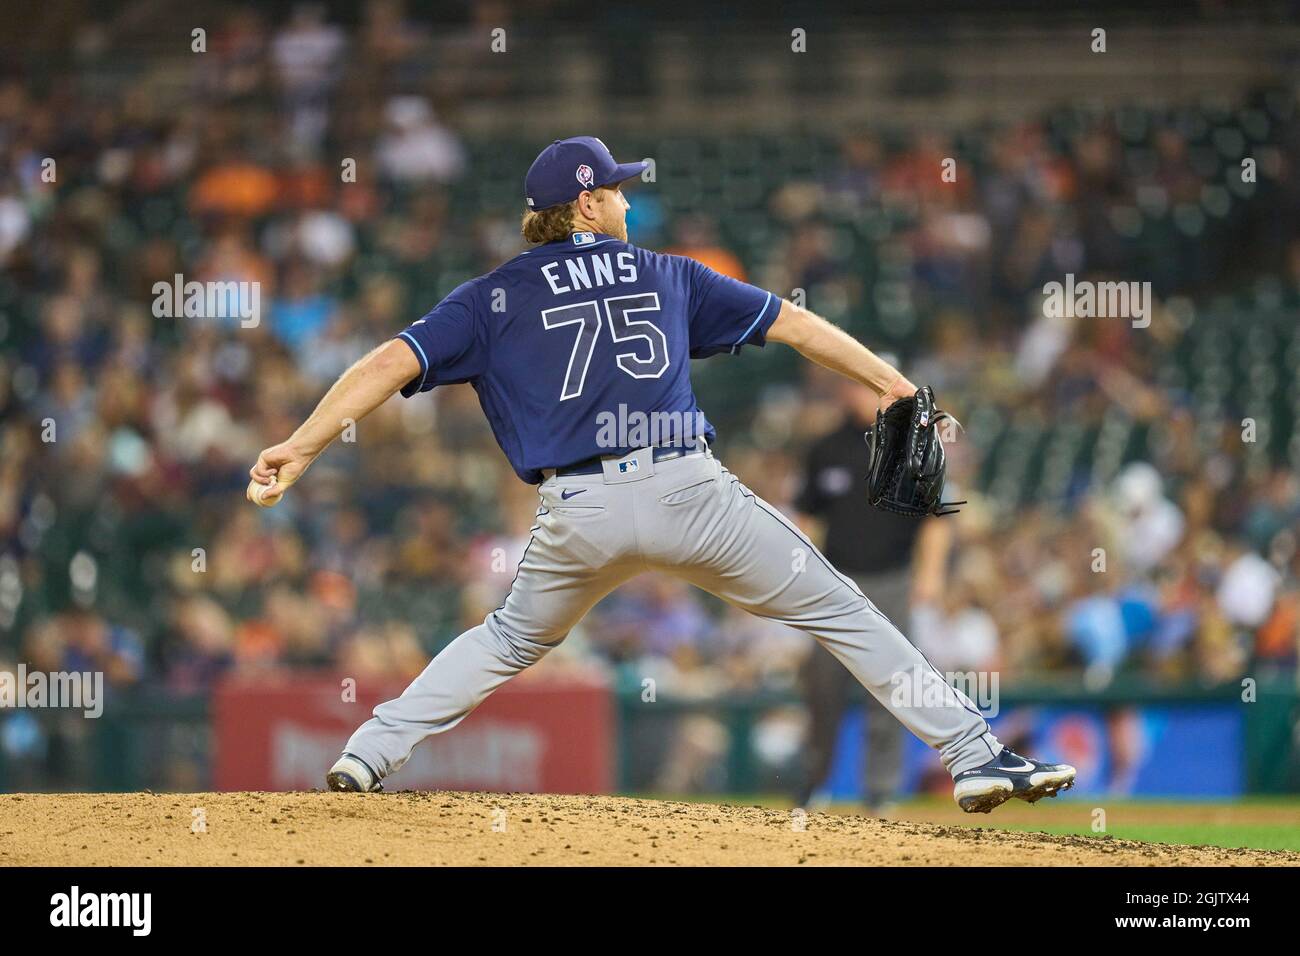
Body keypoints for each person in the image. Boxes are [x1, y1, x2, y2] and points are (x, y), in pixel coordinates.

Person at [246, 136, 1074, 813]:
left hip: (577, 510)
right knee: (839, 606)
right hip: (688, 492)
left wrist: (303, 443)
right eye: (615, 189)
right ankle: (973, 754)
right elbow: (794, 325)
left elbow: (392, 361)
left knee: (504, 640)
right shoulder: (668, 272)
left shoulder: (490, 296)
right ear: (585, 205)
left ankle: (366, 752)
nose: (628, 200)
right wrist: (887, 380)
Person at [793, 374, 954, 814]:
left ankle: (880, 791)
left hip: (892, 579)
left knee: (890, 685)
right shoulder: (824, 448)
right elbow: (806, 517)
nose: (857, 395)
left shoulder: (913, 448)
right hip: (836, 582)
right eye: (852, 385)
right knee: (822, 685)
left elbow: (938, 517)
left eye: (868, 386)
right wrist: (802, 572)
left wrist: (930, 575)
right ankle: (813, 786)